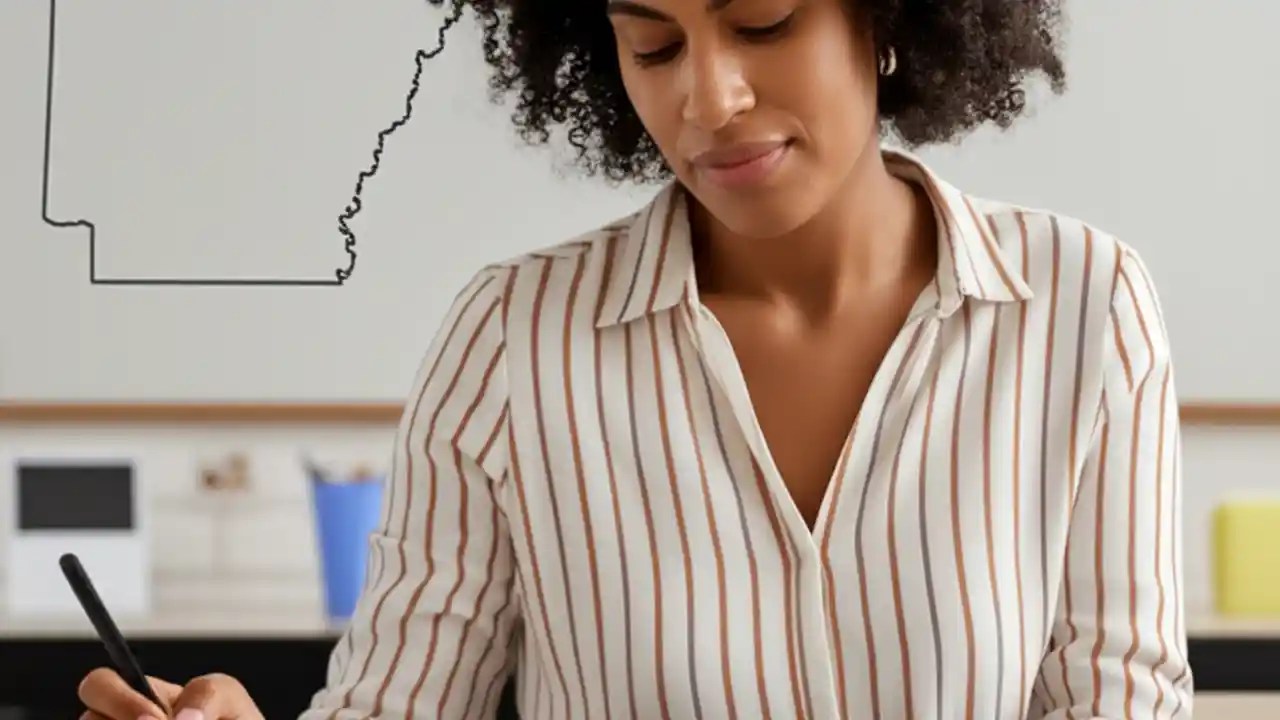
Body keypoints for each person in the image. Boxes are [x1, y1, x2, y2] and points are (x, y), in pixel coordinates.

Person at [77, 0, 1195, 717]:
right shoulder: (512, 339)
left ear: (887, 17)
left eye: (762, 22)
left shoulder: (1083, 307)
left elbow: (1124, 699)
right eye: (652, 45)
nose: (707, 98)